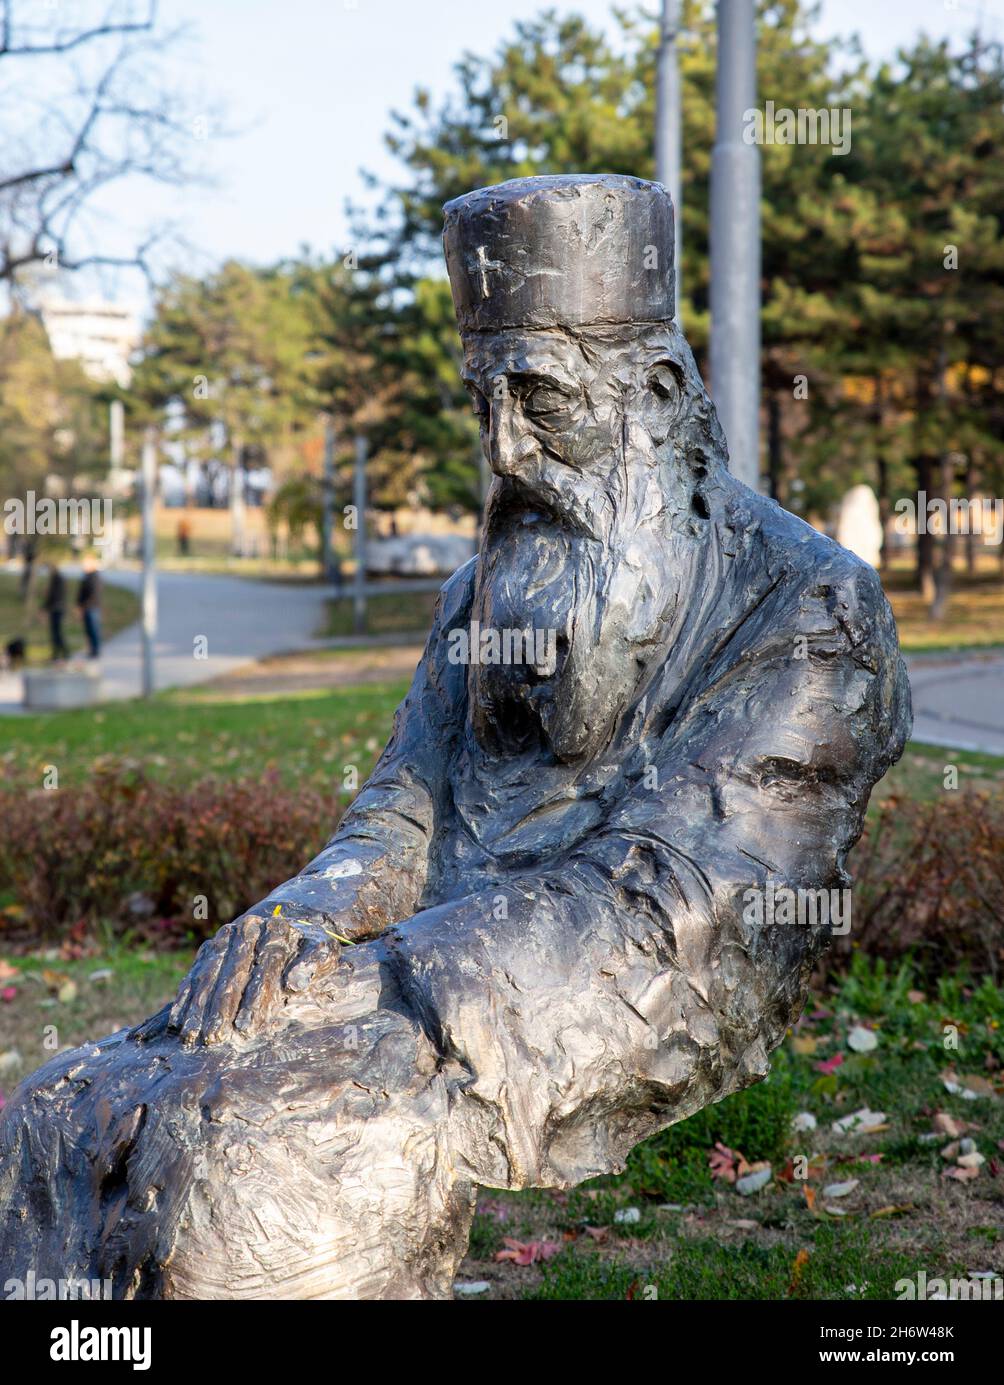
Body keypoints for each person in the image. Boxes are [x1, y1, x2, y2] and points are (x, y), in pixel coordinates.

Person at [0, 176, 911, 1300]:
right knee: (57, 1113)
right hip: (424, 968)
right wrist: (310, 911)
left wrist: (382, 977)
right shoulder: (480, 593)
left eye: (538, 398)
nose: (505, 450)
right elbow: (401, 804)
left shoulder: (811, 605)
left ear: (661, 391)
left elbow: (692, 896)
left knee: (238, 1158)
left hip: (588, 981)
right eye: (483, 403)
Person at [76, 553, 102, 660]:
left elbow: (93, 594)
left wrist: (84, 605)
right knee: (89, 630)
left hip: (92, 607)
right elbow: (81, 592)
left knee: (93, 630)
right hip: (87, 607)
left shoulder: (94, 577)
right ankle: (92, 649)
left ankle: (95, 650)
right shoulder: (86, 577)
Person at [42, 562, 68, 662]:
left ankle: (61, 653)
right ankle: (58, 653)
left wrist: (45, 607)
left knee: (56, 633)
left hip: (57, 609)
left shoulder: (57, 580)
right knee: (56, 632)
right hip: (58, 608)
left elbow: (53, 596)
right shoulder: (59, 579)